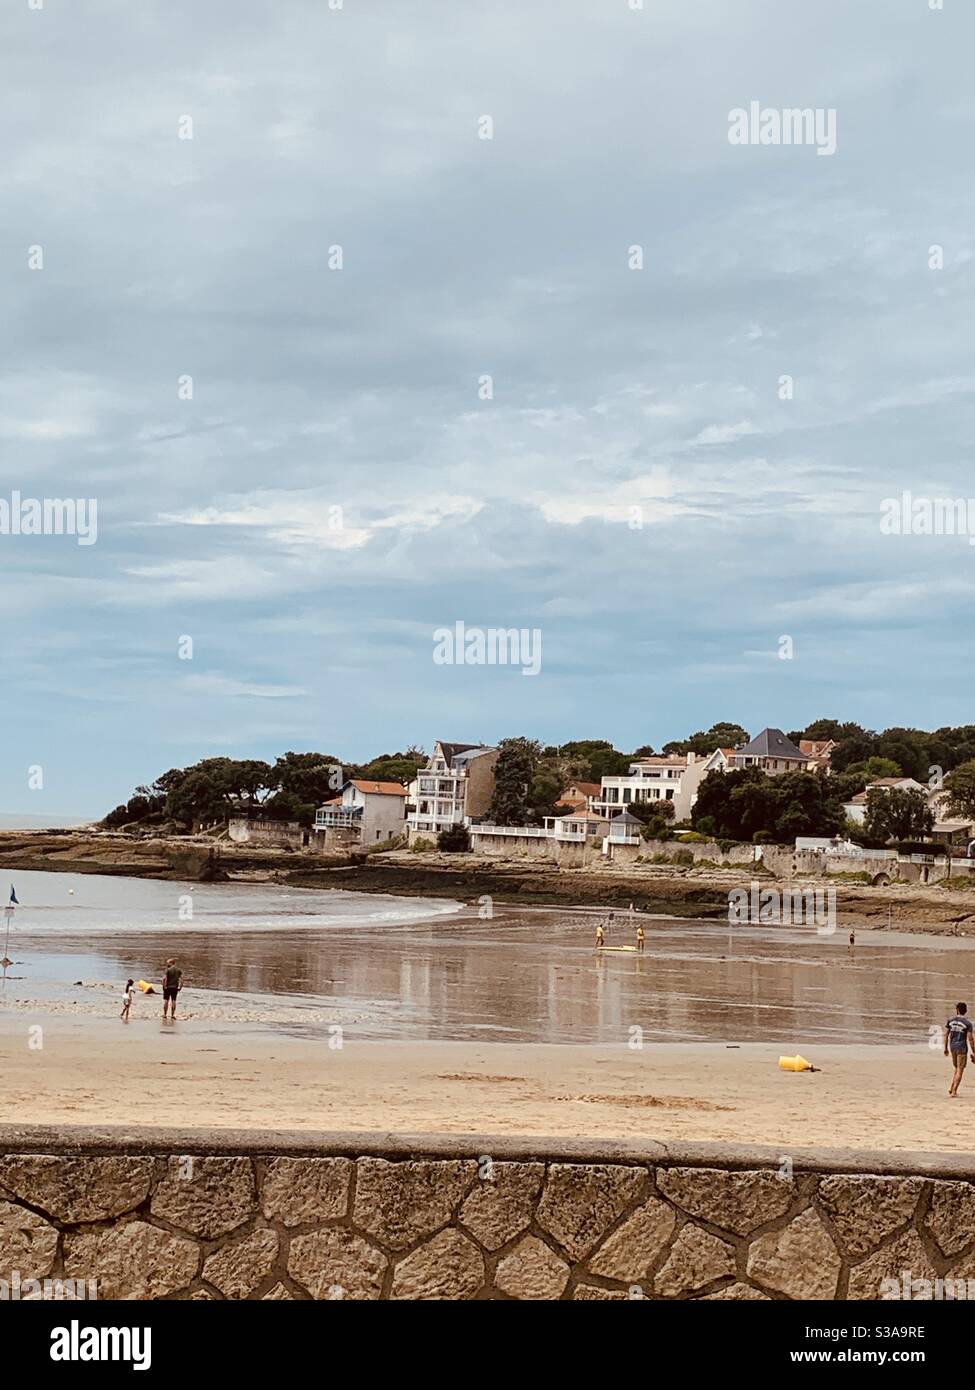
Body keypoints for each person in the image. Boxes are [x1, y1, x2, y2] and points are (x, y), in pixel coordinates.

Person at [944, 1002, 975, 1097]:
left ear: (957, 1010)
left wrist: (945, 1048)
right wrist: (974, 1051)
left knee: (956, 1068)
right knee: (960, 1070)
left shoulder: (950, 1020)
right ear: (965, 1011)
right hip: (961, 1047)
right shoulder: (967, 1024)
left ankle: (952, 1088)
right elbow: (970, 1039)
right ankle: (954, 1091)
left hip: (952, 1047)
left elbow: (946, 1035)